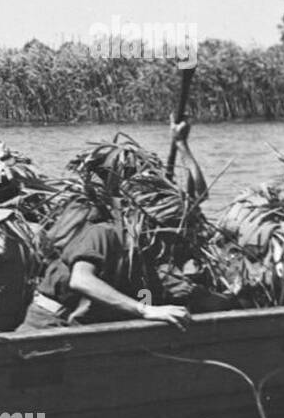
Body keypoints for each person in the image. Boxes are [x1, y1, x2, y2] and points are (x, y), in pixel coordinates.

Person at [17, 119, 204, 332]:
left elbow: (197, 196)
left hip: (83, 323)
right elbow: (81, 280)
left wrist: (182, 145)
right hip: (50, 326)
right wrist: (145, 310)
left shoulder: (142, 247)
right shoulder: (104, 231)